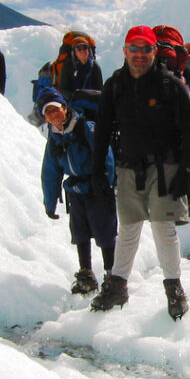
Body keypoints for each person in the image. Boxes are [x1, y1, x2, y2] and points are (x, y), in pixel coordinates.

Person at [90, 25, 190, 320]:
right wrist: (97, 170)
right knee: (128, 228)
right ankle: (118, 285)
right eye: (134, 49)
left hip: (165, 167)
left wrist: (185, 173)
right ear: (125, 51)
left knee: (163, 229)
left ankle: (174, 289)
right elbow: (102, 129)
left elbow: (189, 132)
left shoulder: (170, 85)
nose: (140, 55)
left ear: (154, 51)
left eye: (146, 49)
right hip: (129, 167)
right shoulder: (115, 85)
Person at [39, 88, 117, 295]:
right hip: (75, 190)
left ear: (65, 108)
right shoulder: (55, 139)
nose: (53, 115)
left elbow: (105, 154)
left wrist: (106, 183)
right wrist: (50, 203)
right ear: (45, 118)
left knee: (105, 232)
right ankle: (86, 275)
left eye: (56, 109)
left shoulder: (86, 128)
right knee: (80, 233)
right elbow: (50, 171)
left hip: (97, 187)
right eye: (48, 112)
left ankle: (112, 276)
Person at [153, 25, 190, 221]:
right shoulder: (179, 58)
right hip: (182, 119)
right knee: (181, 161)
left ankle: (176, 208)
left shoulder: (155, 56)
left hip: (161, 120)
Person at [59, 35, 103, 119]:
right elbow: (63, 89)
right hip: (73, 107)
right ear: (74, 52)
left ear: (89, 50)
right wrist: (75, 97)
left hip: (92, 107)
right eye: (79, 48)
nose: (82, 50)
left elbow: (99, 90)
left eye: (85, 47)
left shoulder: (95, 67)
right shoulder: (68, 67)